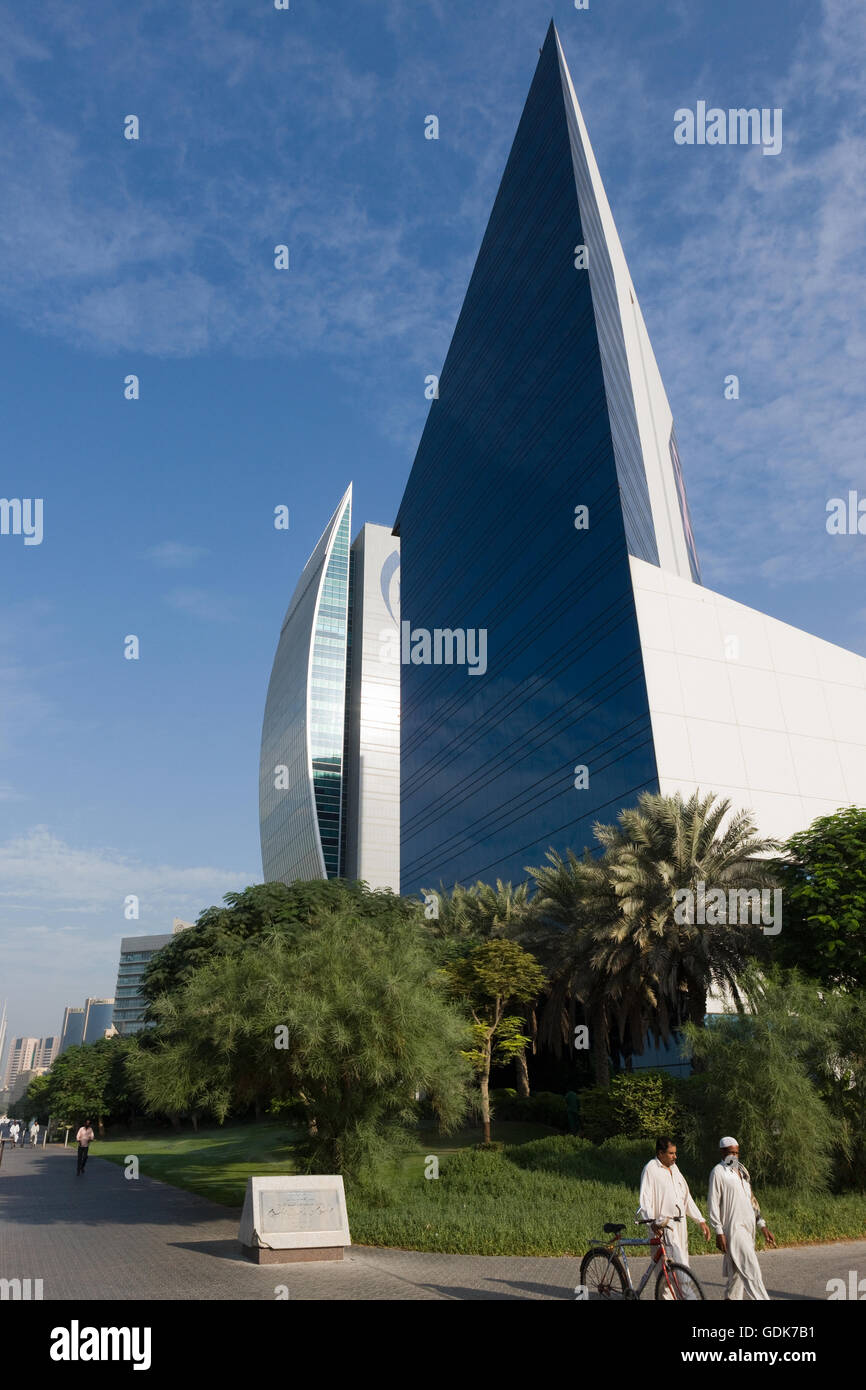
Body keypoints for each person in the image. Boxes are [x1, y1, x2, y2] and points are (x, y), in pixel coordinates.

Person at [638, 1136, 711, 1295]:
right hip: (662, 1227)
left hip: (680, 1225)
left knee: (678, 1266)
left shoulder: (675, 1169)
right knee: (674, 1272)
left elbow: (686, 1197)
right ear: (660, 1153)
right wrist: (653, 1223)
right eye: (671, 1153)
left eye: (675, 1153)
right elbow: (645, 1201)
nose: (675, 1157)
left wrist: (700, 1220)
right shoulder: (651, 1169)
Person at [708, 1136, 776, 1300]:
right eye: (731, 1152)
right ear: (722, 1152)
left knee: (737, 1274)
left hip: (748, 1227)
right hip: (733, 1229)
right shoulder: (718, 1172)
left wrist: (762, 1225)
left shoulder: (742, 1170)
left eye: (736, 1153)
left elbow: (751, 1199)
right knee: (751, 1270)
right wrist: (718, 1231)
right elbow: (713, 1203)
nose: (734, 1156)